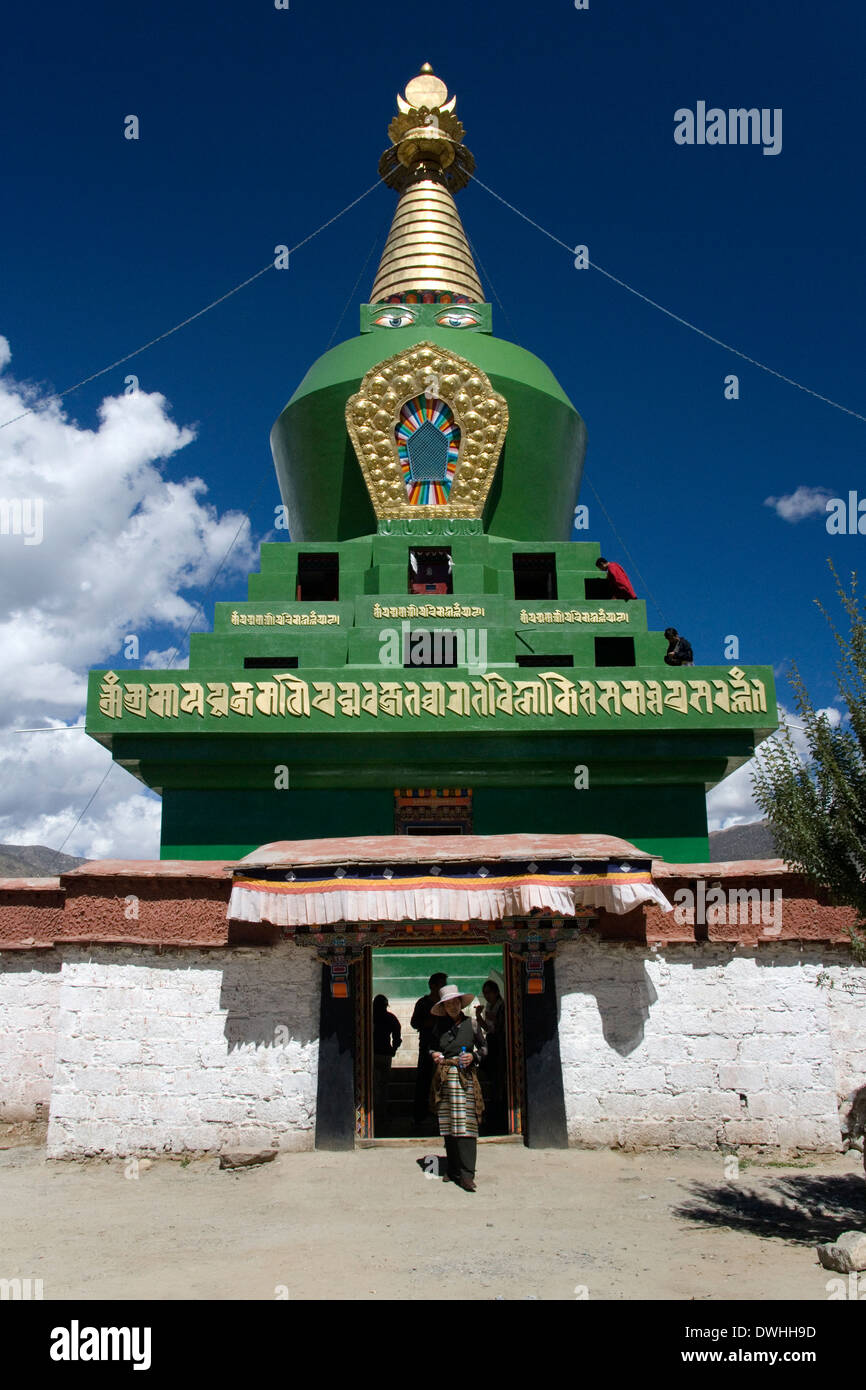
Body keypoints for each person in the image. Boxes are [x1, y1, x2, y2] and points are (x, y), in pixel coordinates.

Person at [429, 984, 485, 1191]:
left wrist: (474, 1056)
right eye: (447, 1004)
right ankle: (452, 1169)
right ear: (443, 1008)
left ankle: (467, 1174)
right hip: (444, 1080)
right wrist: (434, 1054)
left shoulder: (472, 1025)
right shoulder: (439, 1028)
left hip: (464, 1079)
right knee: (448, 1125)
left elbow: (485, 1048)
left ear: (460, 1003)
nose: (451, 1007)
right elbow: (432, 1047)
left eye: (454, 1003)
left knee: (466, 1125)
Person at [410, 971, 447, 1126]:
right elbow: (414, 1023)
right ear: (432, 985)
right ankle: (420, 1116)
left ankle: (444, 1115)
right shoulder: (423, 1003)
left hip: (445, 1046)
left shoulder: (447, 1003)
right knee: (423, 1080)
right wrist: (427, 1023)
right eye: (441, 984)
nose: (442, 987)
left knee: (444, 1081)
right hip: (426, 1045)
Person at [475, 976, 507, 1134]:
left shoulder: (501, 1007)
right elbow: (488, 1028)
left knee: (499, 1077)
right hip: (492, 1044)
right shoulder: (490, 1006)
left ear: (496, 992)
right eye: (484, 993)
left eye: (488, 992)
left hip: (500, 1045)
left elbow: (500, 1027)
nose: (487, 996)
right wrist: (479, 1016)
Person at [372, 994, 401, 1129]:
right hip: (384, 1054)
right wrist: (393, 1049)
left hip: (371, 1054)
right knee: (383, 1086)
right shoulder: (390, 1018)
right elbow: (397, 1036)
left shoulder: (369, 1017)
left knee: (374, 1085)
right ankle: (382, 1114)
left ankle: (374, 1114)